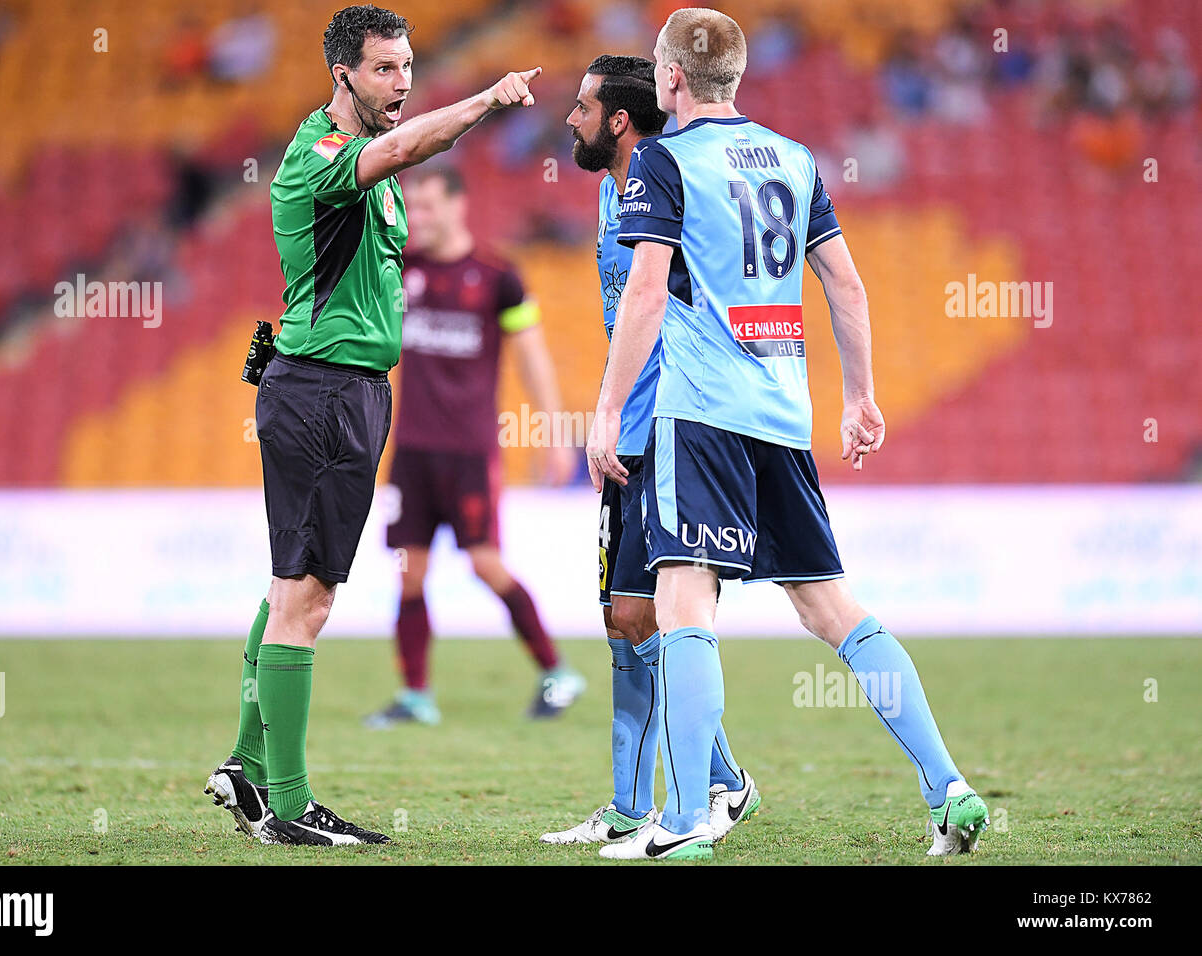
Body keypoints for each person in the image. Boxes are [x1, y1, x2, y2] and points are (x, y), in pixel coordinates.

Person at [585, 8, 989, 861]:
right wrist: (862, 397)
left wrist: (607, 411)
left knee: (683, 602)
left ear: (670, 80)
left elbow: (648, 296)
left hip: (698, 415)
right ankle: (948, 784)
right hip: (784, 414)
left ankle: (693, 816)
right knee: (833, 608)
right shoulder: (795, 158)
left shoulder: (662, 159)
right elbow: (845, 284)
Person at [204, 3, 545, 848]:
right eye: (385, 69)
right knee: (309, 598)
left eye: (407, 66)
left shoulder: (377, 182)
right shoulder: (324, 158)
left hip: (346, 394)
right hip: (322, 394)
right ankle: (287, 803)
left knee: (293, 587)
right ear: (343, 75)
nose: (400, 82)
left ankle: (246, 767)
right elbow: (404, 147)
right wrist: (484, 104)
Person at [539, 55, 758, 848]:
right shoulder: (609, 193)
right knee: (621, 619)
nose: (570, 118)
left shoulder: (676, 185)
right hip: (626, 430)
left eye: (583, 106)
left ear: (620, 120)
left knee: (643, 615)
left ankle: (682, 796)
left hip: (677, 427)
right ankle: (688, 790)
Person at [364, 165, 584, 727]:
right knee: (408, 572)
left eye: (431, 205)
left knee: (486, 564)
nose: (421, 217)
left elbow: (532, 357)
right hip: (411, 450)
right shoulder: (401, 269)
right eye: (415, 206)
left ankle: (556, 670)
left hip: (469, 452)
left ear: (458, 205)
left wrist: (554, 432)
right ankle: (416, 695)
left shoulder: (497, 275)